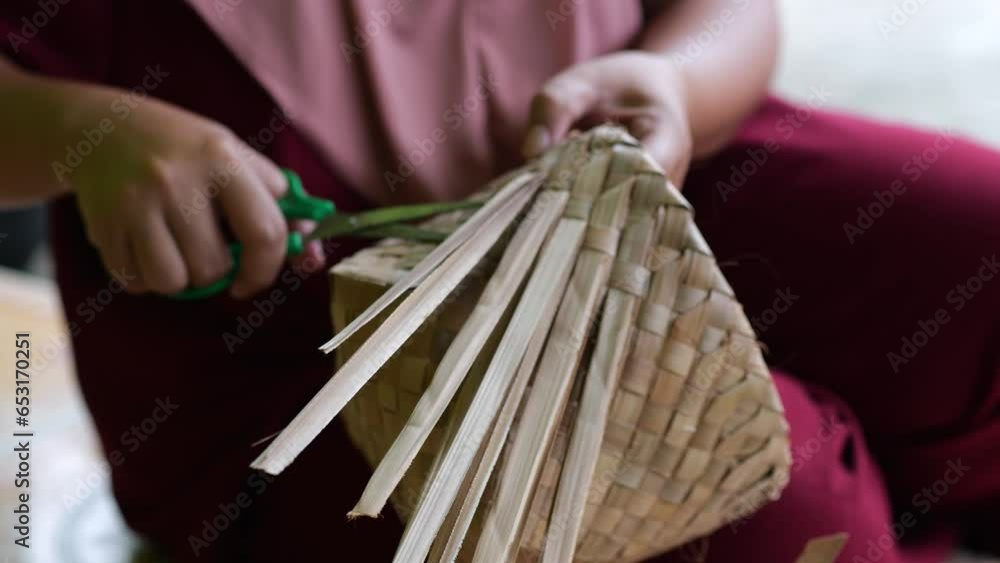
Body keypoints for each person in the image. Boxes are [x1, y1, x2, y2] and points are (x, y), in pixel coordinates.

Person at [1, 1, 997, 562]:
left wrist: (676, 81)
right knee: (765, 519)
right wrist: (90, 139)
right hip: (300, 346)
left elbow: (725, 12)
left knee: (974, 248)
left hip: (643, 163)